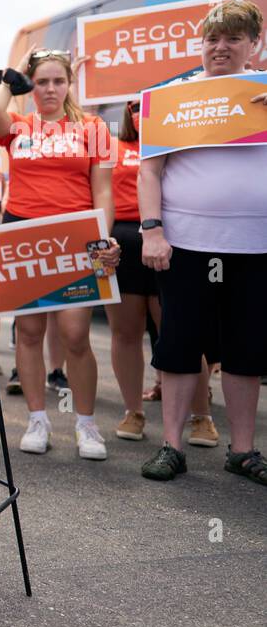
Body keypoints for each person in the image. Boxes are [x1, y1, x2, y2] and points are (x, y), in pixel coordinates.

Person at [139, 0, 267, 485]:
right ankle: (172, 446)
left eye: (234, 38)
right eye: (212, 38)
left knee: (247, 348)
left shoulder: (265, 95)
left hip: (255, 244)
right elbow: (149, 170)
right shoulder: (175, 98)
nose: (221, 47)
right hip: (188, 243)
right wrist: (153, 230)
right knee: (179, 341)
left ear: (254, 45)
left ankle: (243, 450)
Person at [0, 49, 120, 460]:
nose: (49, 89)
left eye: (57, 81)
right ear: (31, 85)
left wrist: (103, 238)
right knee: (28, 333)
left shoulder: (95, 127)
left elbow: (103, 189)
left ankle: (86, 424)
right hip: (25, 239)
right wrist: (12, 77)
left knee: (76, 335)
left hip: (77, 241)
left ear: (68, 84)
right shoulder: (19, 124)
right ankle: (37, 419)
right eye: (41, 81)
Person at [107, 100, 216, 445]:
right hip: (122, 240)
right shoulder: (113, 146)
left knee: (180, 332)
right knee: (125, 333)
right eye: (134, 107)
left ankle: (202, 417)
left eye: (146, 106)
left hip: (170, 238)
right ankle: (133, 411)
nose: (140, 113)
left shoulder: (180, 144)